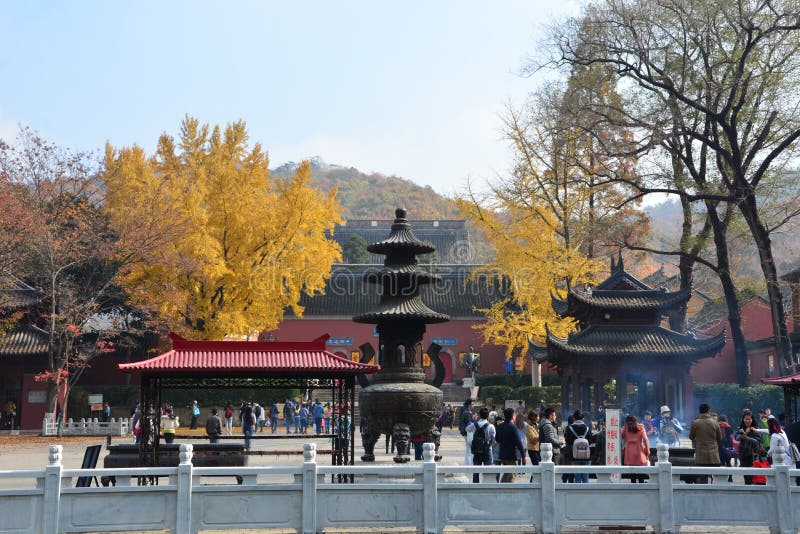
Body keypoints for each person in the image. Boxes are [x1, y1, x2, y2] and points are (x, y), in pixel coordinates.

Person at [689, 403, 722, 484]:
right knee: (715, 478)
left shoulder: (695, 423)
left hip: (701, 455)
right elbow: (720, 438)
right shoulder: (714, 422)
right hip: (713, 455)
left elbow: (691, 437)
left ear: (699, 411)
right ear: (708, 411)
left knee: (702, 478)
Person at [495, 407, 526, 482]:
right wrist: (523, 455)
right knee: (512, 475)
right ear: (512, 416)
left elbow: (497, 439)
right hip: (512, 455)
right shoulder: (513, 427)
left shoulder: (500, 426)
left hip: (503, 454)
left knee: (507, 473)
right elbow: (519, 443)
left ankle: (502, 489)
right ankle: (510, 492)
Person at [466, 407, 495, 482]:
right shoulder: (491, 426)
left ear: (479, 415)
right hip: (487, 450)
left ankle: (476, 486)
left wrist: (474, 421)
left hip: (477, 450)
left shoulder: (474, 425)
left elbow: (467, 429)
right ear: (488, 416)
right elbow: (493, 438)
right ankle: (486, 485)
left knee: (476, 471)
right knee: (488, 470)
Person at [735, 410, 763, 485]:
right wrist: (745, 433)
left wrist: (747, 437)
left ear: (752, 419)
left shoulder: (756, 429)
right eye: (746, 419)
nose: (747, 421)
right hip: (743, 455)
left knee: (753, 475)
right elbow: (737, 438)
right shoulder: (740, 428)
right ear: (743, 419)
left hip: (753, 455)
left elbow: (758, 441)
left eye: (749, 419)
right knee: (746, 475)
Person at [622, 414, 650, 483]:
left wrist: (625, 426)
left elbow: (622, 436)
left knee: (632, 474)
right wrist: (647, 451)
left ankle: (634, 489)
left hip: (629, 453)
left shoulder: (626, 427)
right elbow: (646, 440)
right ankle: (641, 487)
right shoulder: (641, 427)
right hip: (639, 452)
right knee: (641, 474)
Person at [566, 410, 592, 483]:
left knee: (577, 477)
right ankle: (586, 493)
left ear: (574, 418)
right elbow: (590, 441)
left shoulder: (569, 428)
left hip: (575, 455)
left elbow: (568, 441)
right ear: (583, 419)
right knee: (585, 477)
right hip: (586, 455)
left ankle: (577, 493)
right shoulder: (587, 428)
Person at [458, 399, 475, 464]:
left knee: (468, 448)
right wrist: (474, 420)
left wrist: (473, 419)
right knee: (469, 449)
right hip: (468, 433)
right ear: (469, 405)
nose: (473, 405)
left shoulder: (467, 412)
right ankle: (469, 463)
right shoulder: (467, 413)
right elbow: (469, 424)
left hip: (466, 432)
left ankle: (468, 463)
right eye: (472, 404)